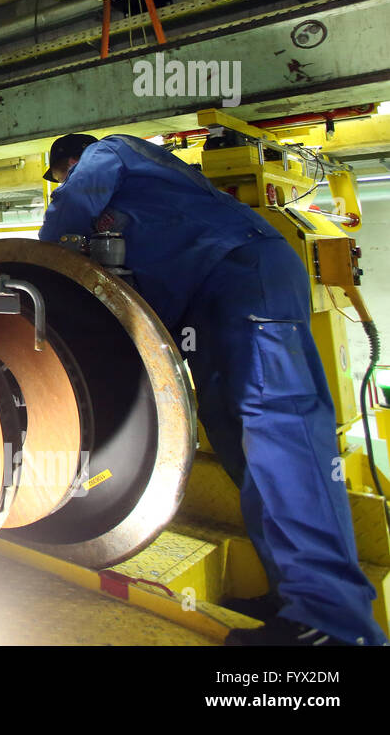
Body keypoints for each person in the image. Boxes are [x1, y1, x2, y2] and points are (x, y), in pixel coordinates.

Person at [41, 132, 386, 646]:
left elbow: (72, 206)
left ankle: (334, 624)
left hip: (242, 275)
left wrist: (43, 266)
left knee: (279, 438)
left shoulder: (110, 151)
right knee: (240, 446)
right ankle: (293, 600)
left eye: (61, 176)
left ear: (71, 160)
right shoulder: (134, 214)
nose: (64, 185)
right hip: (205, 307)